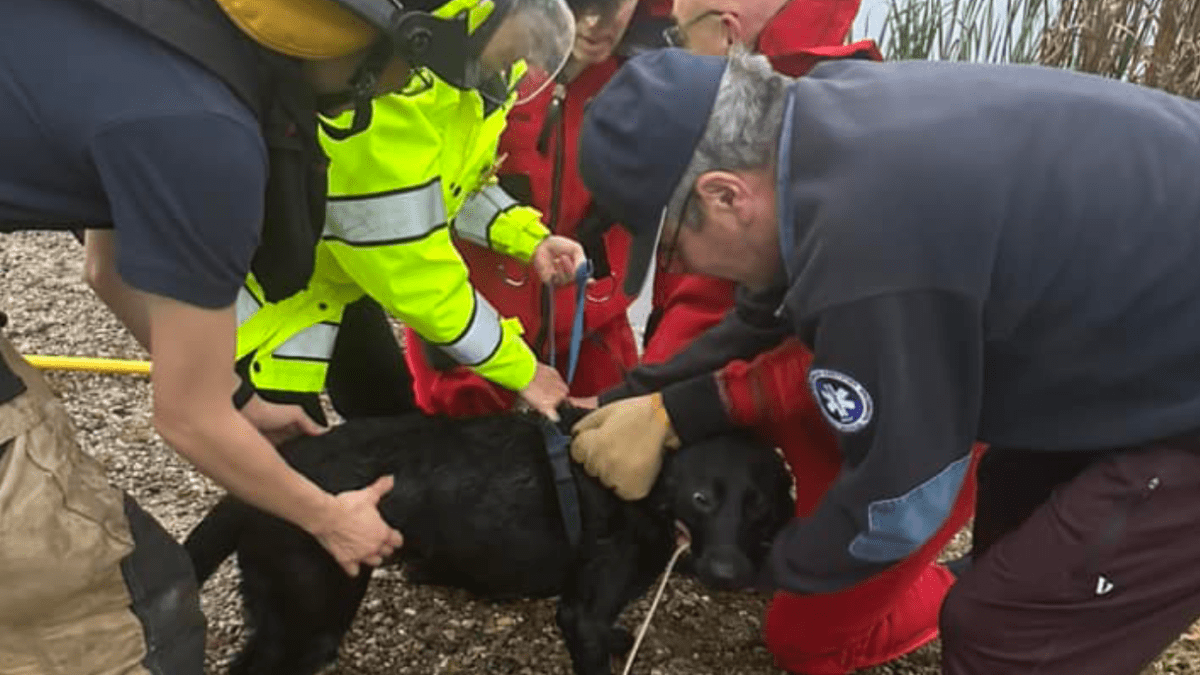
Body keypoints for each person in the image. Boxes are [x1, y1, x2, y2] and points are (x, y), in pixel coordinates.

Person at [574, 48, 1200, 674]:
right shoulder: (825, 115)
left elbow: (901, 503)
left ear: (727, 196)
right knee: (1011, 512)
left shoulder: (871, 258)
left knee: (1002, 633)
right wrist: (631, 397)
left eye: (678, 250)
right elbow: (766, 311)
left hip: (1181, 383)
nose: (688, 271)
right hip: (1140, 313)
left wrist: (760, 560)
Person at [0, 0, 568, 670]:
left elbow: (105, 269)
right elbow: (186, 418)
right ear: (390, 51)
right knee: (127, 615)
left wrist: (238, 396)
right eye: (441, 76)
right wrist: (328, 517)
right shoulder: (212, 135)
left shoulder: (199, 36)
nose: (424, 93)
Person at [231, 0, 583, 428]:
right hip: (271, 301)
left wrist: (530, 239)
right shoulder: (391, 92)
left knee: (389, 419)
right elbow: (414, 269)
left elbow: (452, 190)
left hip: (338, 275)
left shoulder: (470, 77)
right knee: (286, 460)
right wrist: (521, 371)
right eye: (523, 39)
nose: (526, 61)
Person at [404, 0, 664, 416]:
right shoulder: (473, 58)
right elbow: (424, 197)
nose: (598, 21)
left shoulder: (661, 77)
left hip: (593, 329)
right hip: (466, 329)